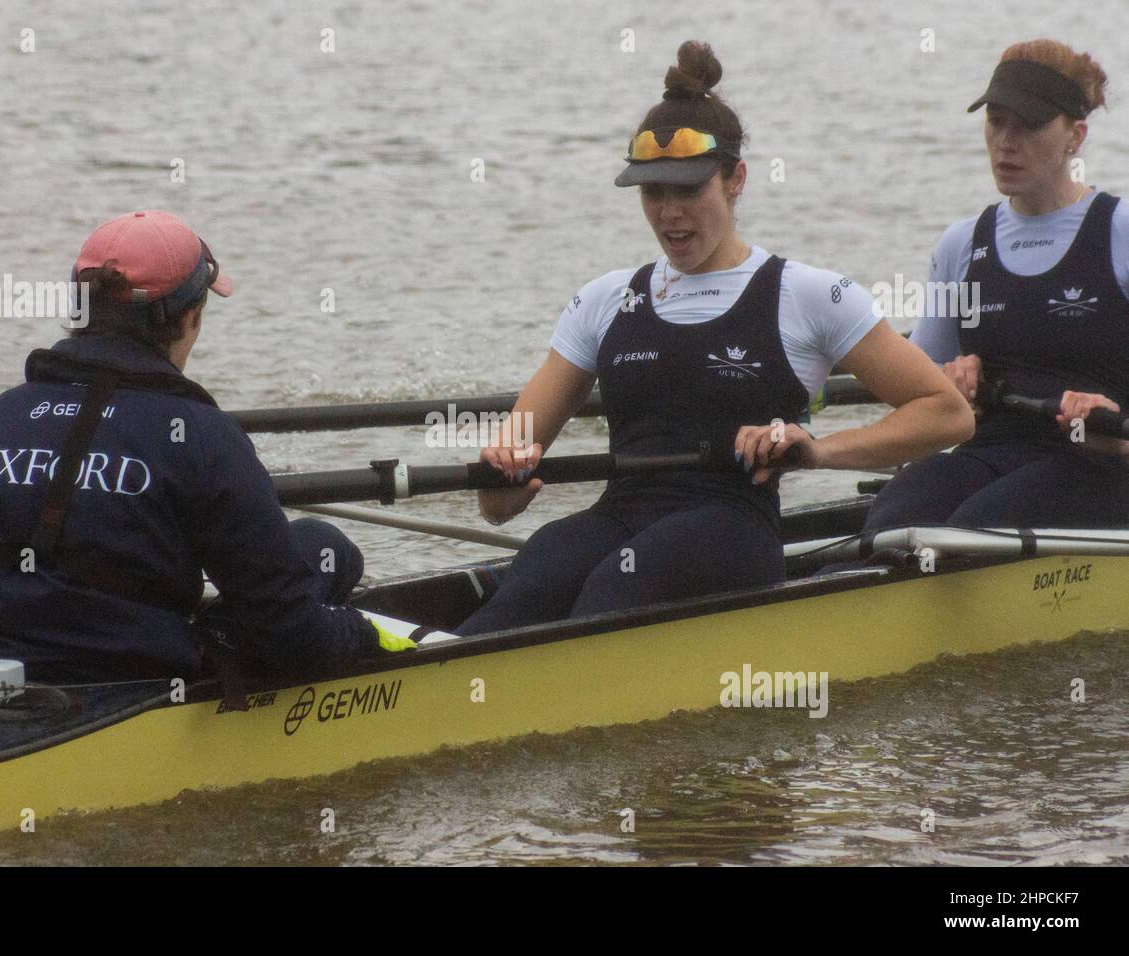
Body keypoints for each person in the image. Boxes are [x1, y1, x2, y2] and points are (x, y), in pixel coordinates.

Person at [454, 42, 974, 636]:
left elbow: (949, 414)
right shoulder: (603, 300)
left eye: (688, 189)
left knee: (613, 588)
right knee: (534, 577)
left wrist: (818, 449)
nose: (669, 213)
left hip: (730, 528)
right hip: (619, 516)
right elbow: (497, 504)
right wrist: (504, 483)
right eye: (654, 192)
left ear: (736, 180)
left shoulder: (809, 295)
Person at [0, 210, 407, 684]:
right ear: (190, 317)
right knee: (327, 550)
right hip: (136, 686)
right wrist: (361, 633)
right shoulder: (204, 437)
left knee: (323, 548)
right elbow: (294, 641)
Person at [865, 39, 1129, 532]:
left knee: (969, 533)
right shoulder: (961, 244)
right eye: (996, 121)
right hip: (987, 453)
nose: (1006, 141)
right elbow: (917, 397)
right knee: (892, 523)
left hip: (1101, 464)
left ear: (1076, 135)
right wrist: (947, 385)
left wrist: (1113, 422)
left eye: (1027, 125)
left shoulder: (1120, 232)